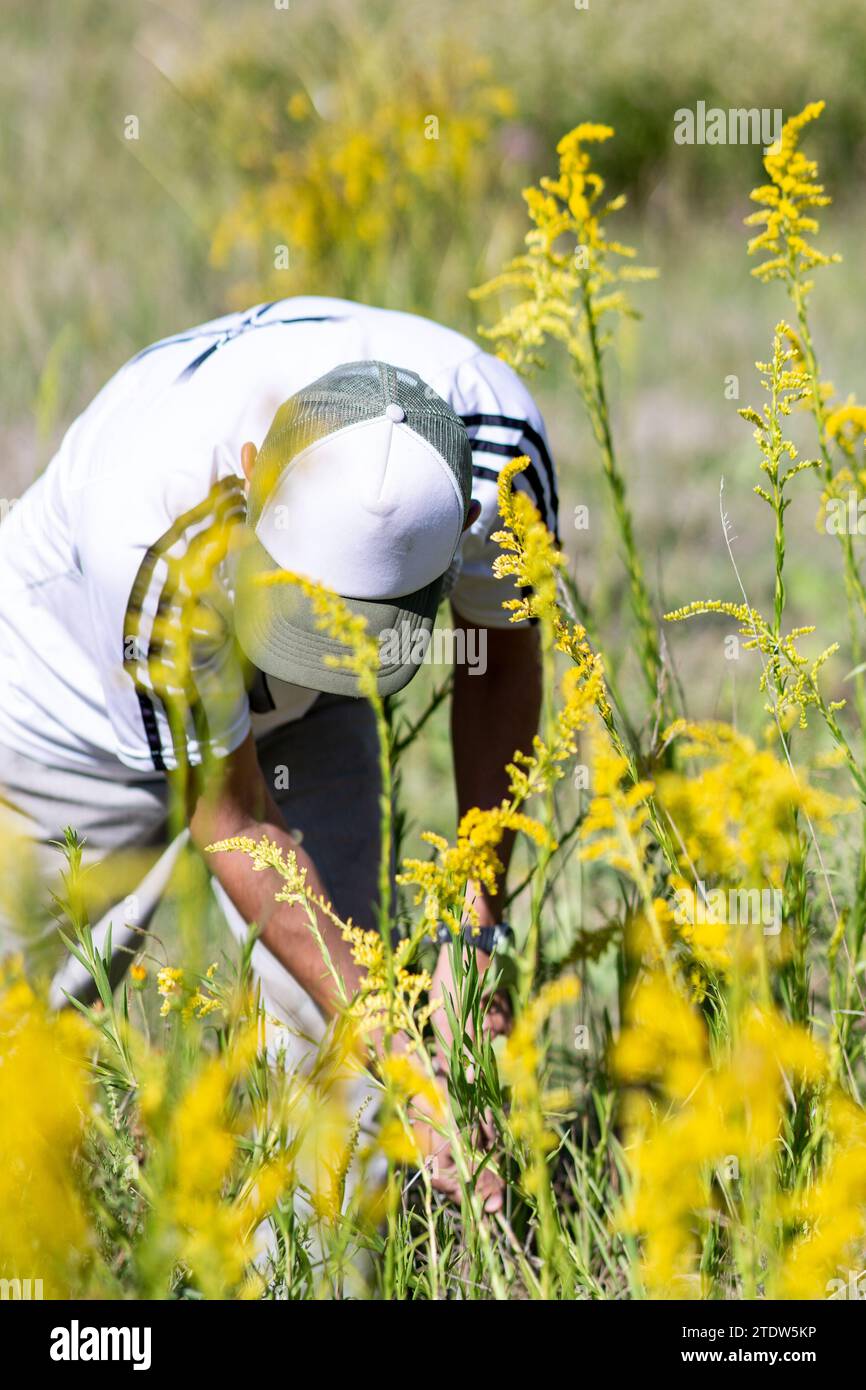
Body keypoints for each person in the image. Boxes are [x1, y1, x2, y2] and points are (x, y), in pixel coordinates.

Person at [0, 296, 558, 1207]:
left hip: (303, 723)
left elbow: (497, 658)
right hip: (61, 708)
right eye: (311, 625)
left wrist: (476, 928)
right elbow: (236, 818)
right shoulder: (147, 528)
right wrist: (394, 1032)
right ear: (255, 474)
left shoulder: (500, 458)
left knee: (344, 1064)